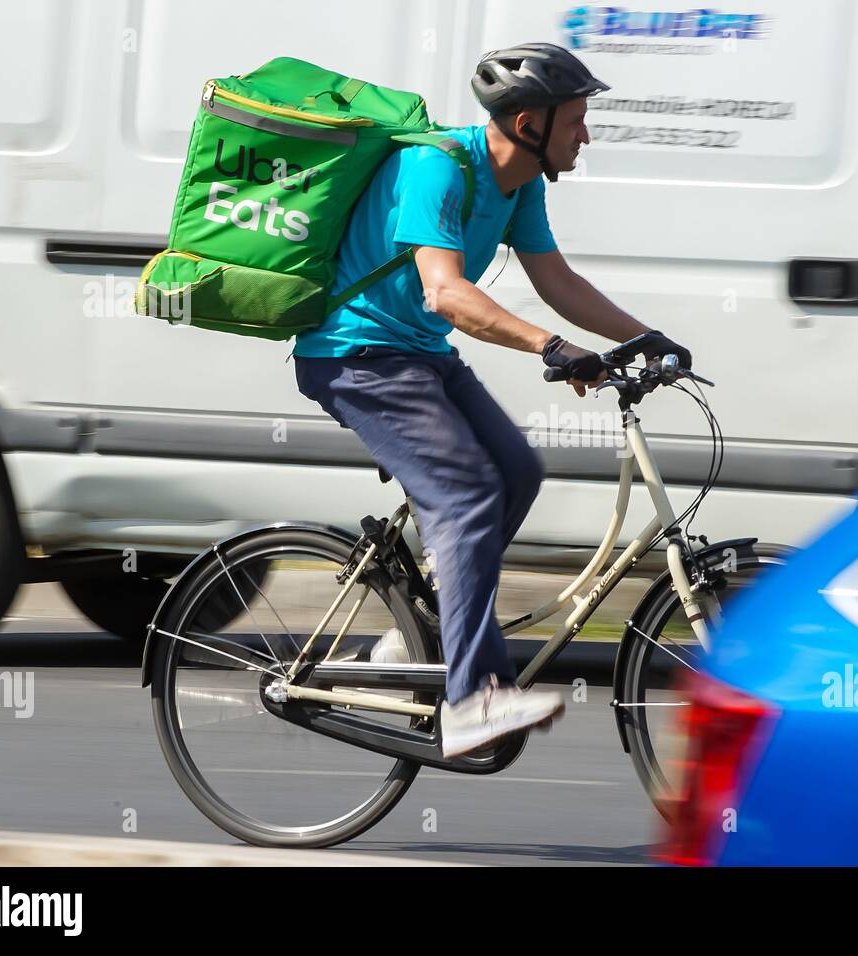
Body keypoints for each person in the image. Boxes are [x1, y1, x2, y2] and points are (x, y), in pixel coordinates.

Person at [292, 43, 692, 758]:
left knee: (517, 470)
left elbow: (556, 282)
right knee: (469, 494)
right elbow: (445, 290)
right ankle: (470, 699)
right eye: (576, 120)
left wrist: (649, 338)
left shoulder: (521, 184)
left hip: (416, 356)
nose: (586, 135)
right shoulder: (438, 165)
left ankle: (413, 637)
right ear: (530, 121)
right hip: (356, 357)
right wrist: (551, 348)